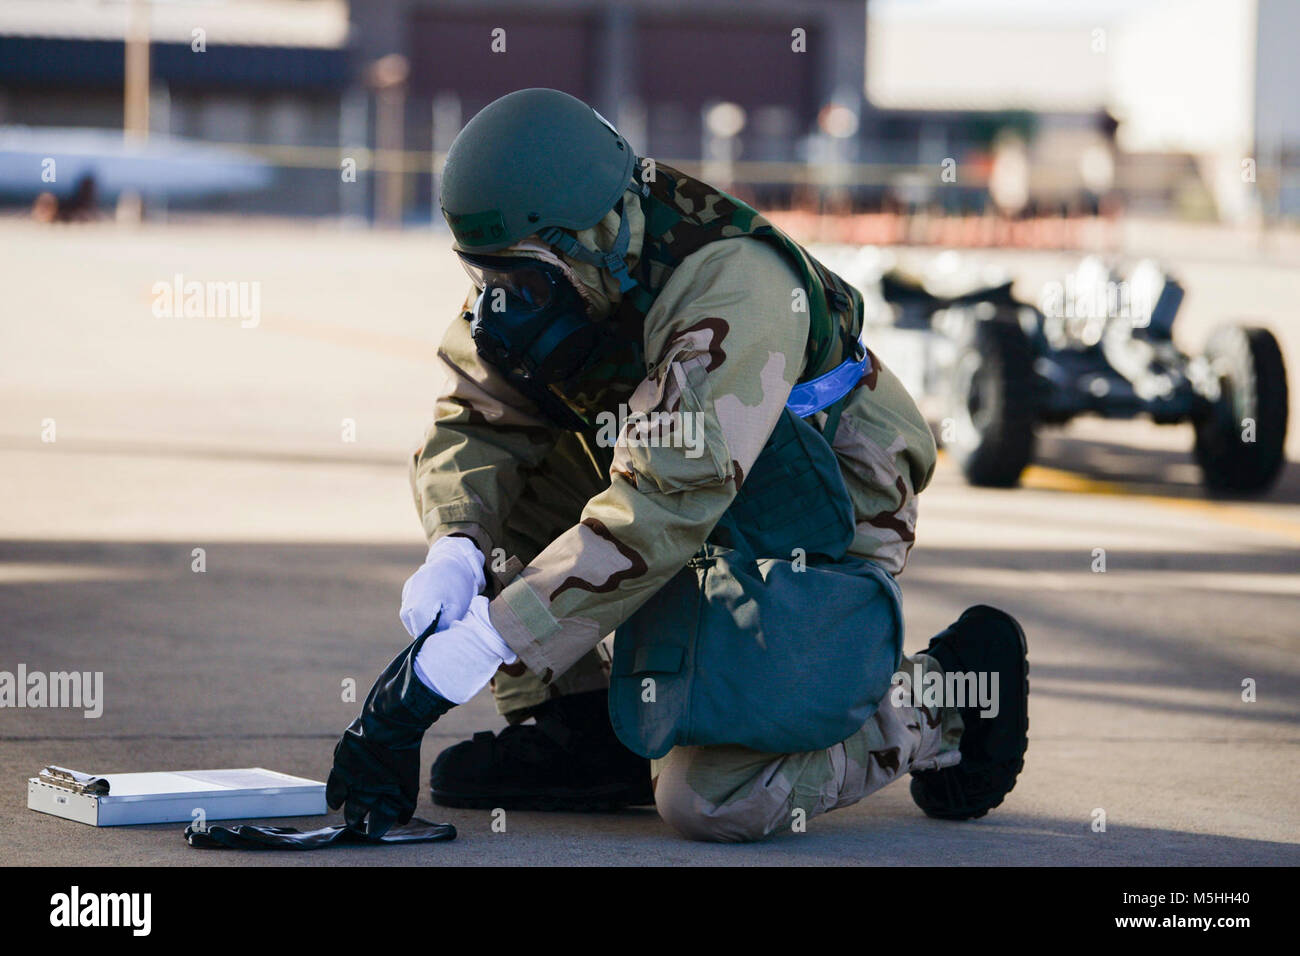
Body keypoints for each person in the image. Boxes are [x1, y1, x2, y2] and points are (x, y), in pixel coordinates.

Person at [327, 88, 1029, 843]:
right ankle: (584, 724)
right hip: (687, 481)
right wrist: (457, 544)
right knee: (514, 482)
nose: (502, 304)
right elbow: (477, 418)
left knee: (714, 799)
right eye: (485, 279)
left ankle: (943, 702)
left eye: (520, 280)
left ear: (592, 233)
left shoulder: (731, 283)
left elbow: (662, 505)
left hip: (821, 501)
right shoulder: (558, 271)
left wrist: (482, 646)